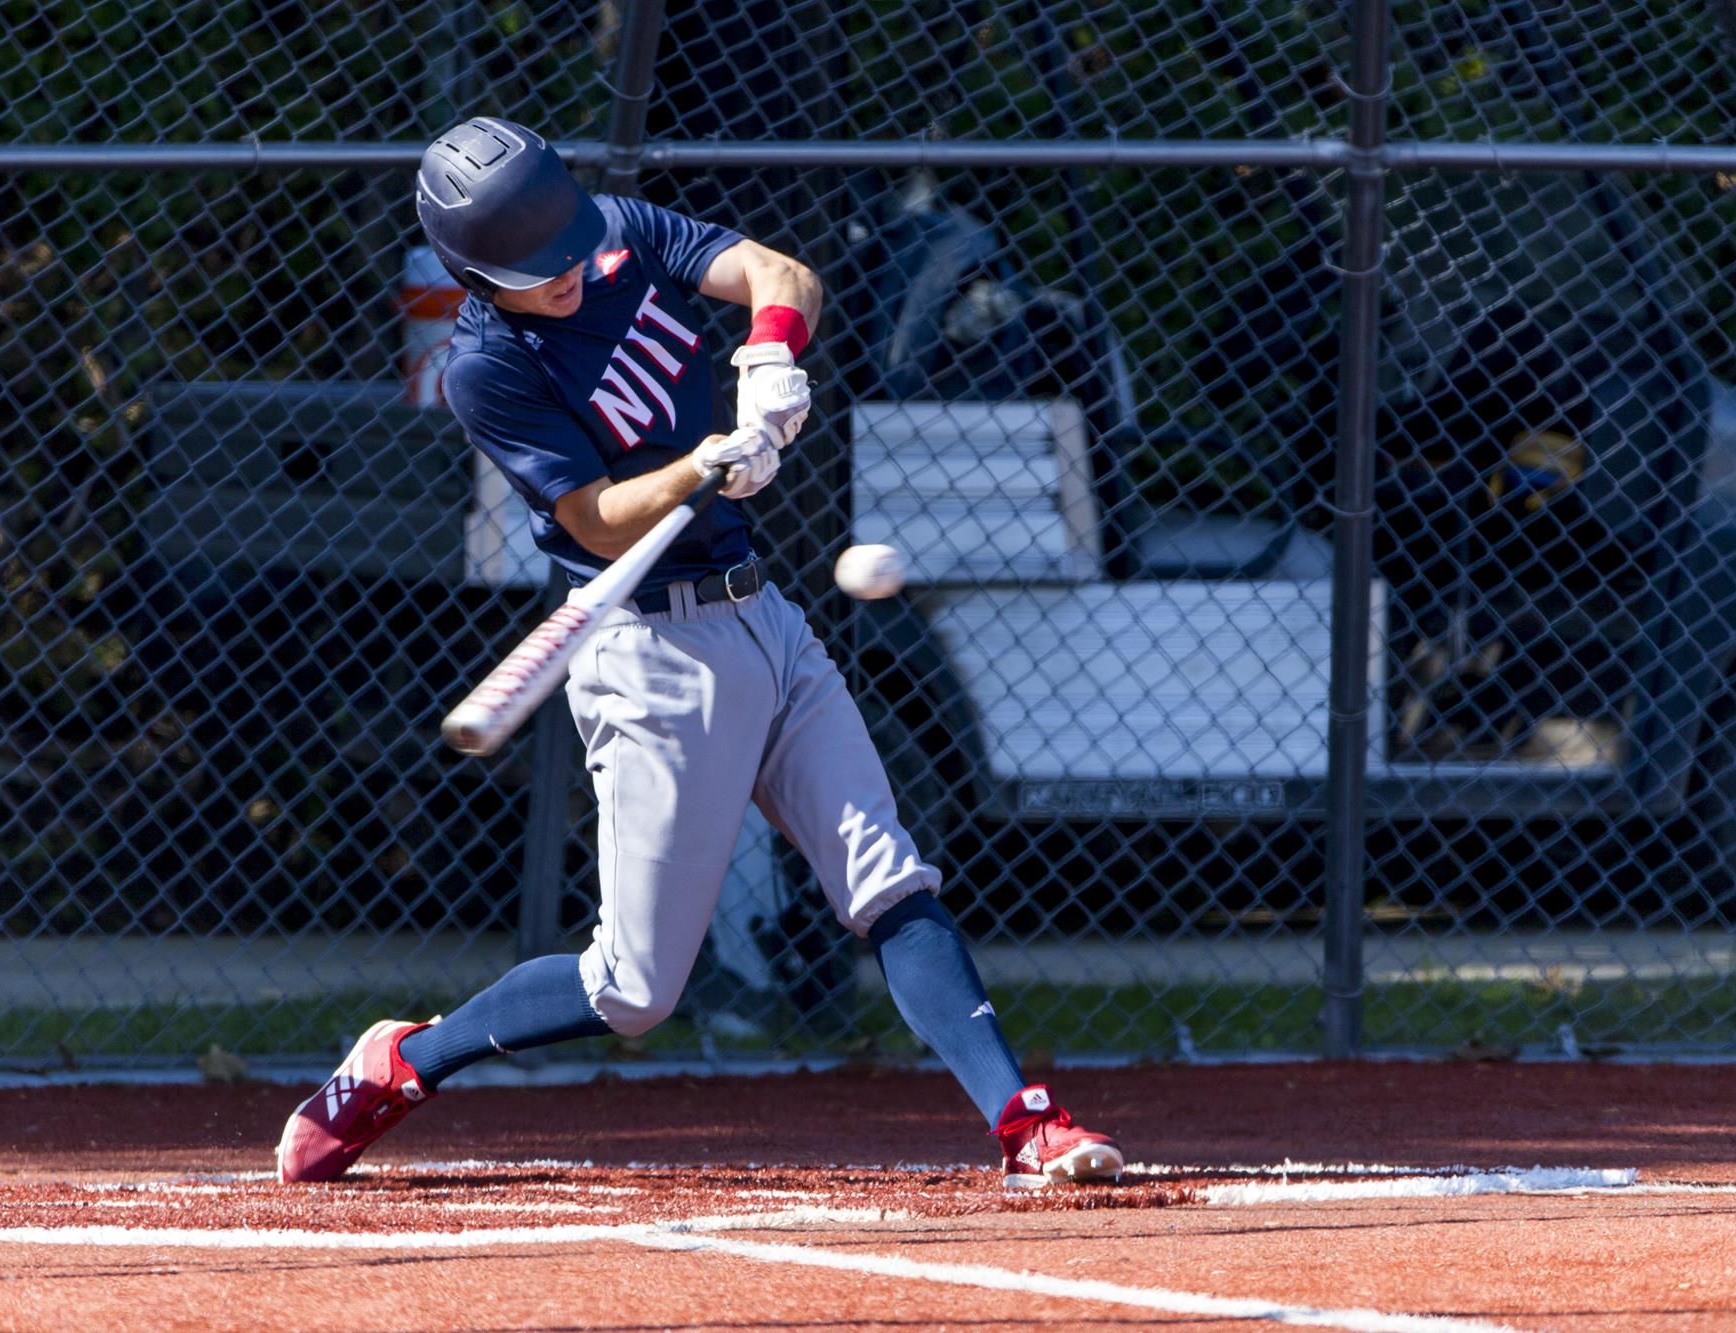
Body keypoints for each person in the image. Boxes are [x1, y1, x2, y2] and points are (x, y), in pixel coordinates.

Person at [275, 117, 1122, 1190]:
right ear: (478, 274)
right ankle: (405, 1059)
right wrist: (703, 463)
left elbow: (781, 273)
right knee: (632, 992)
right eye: (540, 271)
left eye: (569, 247)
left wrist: (769, 355)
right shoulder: (487, 367)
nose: (570, 273)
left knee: (887, 877)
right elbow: (594, 520)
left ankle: (1022, 1122)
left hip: (763, 616)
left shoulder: (617, 231)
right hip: (650, 658)